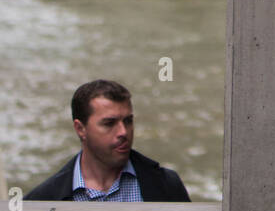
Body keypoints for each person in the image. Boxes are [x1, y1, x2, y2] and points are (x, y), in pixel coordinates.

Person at [25, 80, 189, 202]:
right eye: (109, 123)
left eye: (128, 121)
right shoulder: (42, 200)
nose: (123, 132)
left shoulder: (167, 185)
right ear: (80, 129)